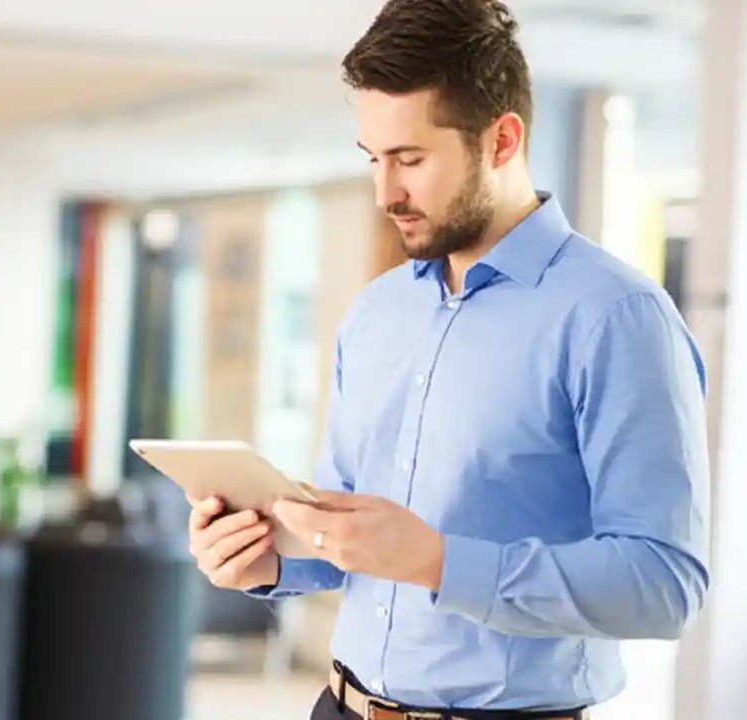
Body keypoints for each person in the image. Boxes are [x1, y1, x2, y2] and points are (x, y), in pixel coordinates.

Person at [185, 0, 710, 717]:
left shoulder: (616, 317)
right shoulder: (377, 314)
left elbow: (665, 585)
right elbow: (345, 527)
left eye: (410, 159)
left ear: (502, 140)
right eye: (374, 159)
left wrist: (437, 560)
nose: (385, 193)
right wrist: (267, 555)